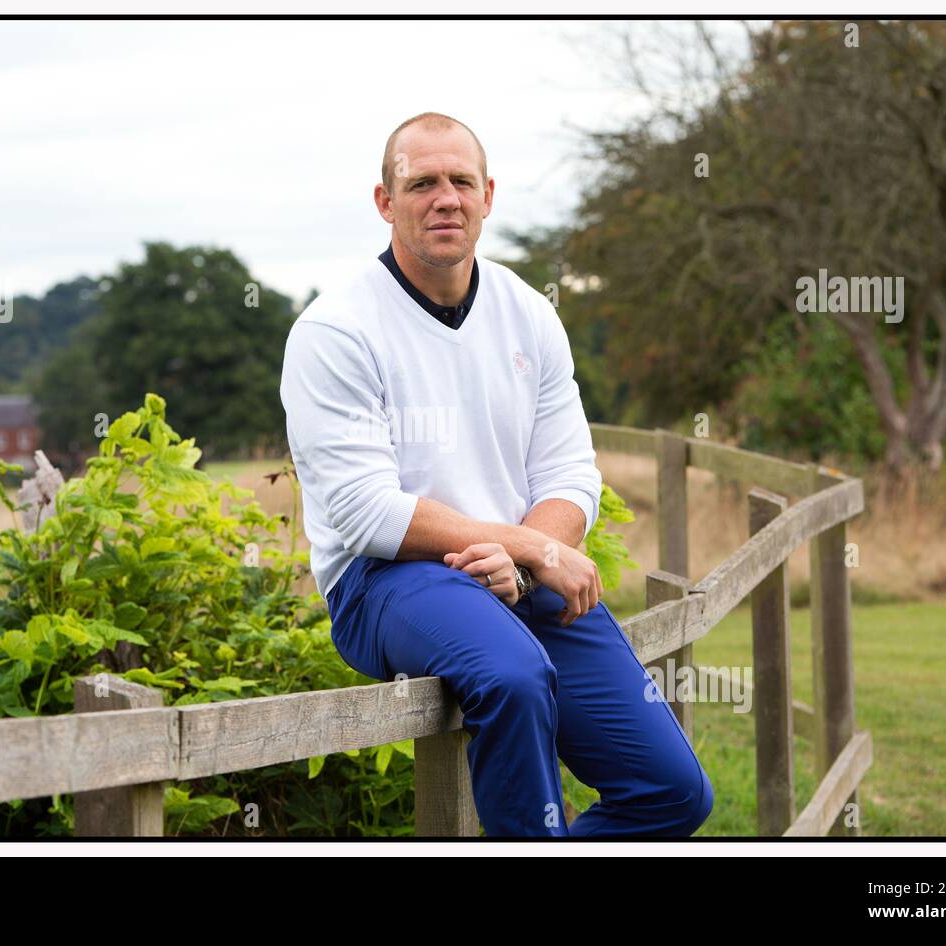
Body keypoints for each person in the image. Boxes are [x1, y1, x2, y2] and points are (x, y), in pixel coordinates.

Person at [279, 111, 713, 837]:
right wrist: (530, 547)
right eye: (421, 183)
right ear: (386, 202)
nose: (445, 198)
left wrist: (526, 552)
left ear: (488, 196)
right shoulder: (337, 331)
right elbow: (364, 511)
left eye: (461, 181)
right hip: (384, 581)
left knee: (673, 792)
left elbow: (571, 472)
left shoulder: (529, 314)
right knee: (511, 674)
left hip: (523, 573)